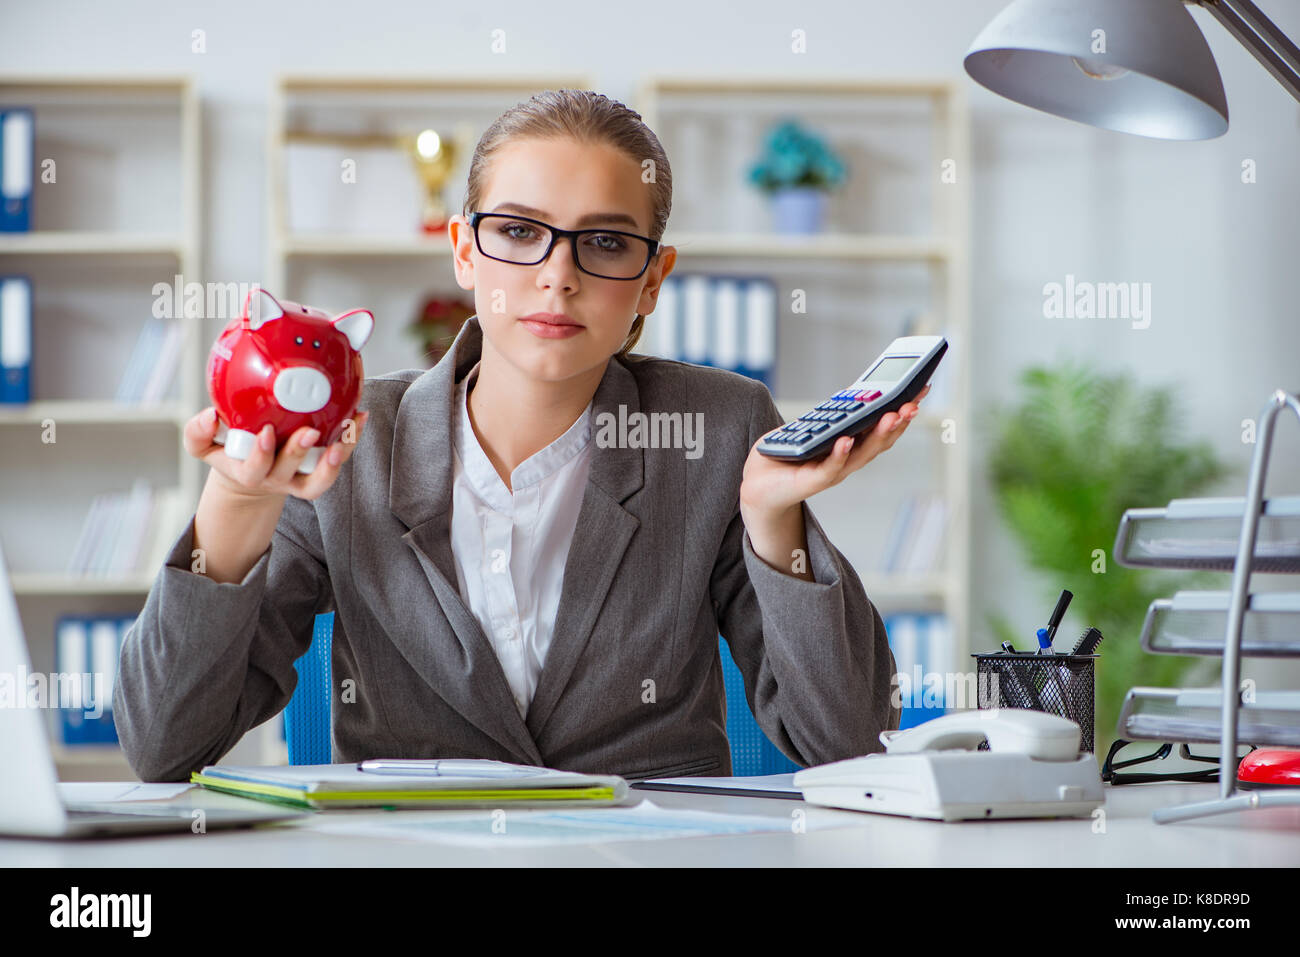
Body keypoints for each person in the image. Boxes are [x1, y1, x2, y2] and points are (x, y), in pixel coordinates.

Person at [114, 90, 927, 783]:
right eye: (518, 231)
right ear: (465, 250)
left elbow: (850, 746)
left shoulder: (719, 429)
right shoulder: (352, 442)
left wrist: (772, 524)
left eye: (606, 242)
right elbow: (163, 745)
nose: (557, 275)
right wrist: (236, 502)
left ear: (652, 280)